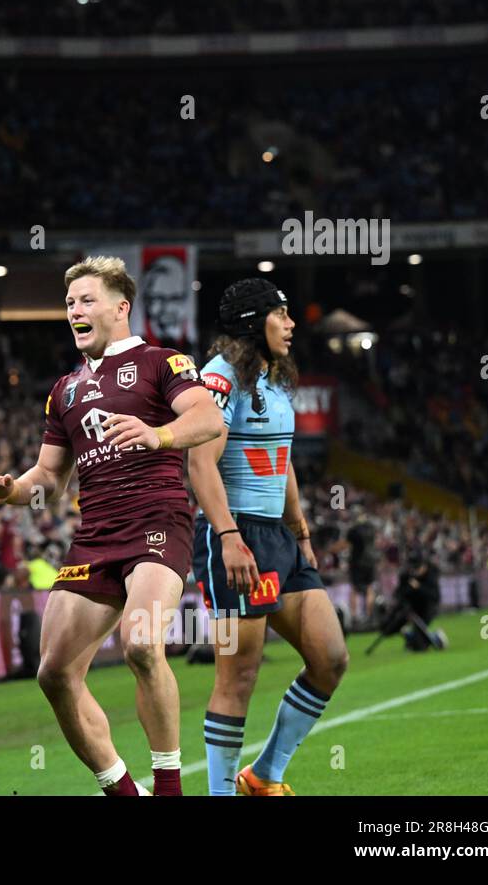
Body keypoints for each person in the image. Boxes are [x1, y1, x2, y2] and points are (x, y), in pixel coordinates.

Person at [0, 256, 223, 796]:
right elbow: (49, 479)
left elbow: (207, 419)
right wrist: (8, 491)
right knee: (54, 673)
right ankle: (123, 791)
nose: (75, 311)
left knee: (140, 644)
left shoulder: (164, 363)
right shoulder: (64, 389)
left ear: (120, 307)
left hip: (157, 522)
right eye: (69, 303)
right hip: (95, 535)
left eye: (86, 300)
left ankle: (170, 787)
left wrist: (159, 436)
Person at [187, 278, 349, 796]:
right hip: (234, 536)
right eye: (281, 313)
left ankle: (263, 776)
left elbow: (282, 463)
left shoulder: (276, 381)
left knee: (330, 657)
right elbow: (200, 462)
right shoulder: (219, 379)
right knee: (238, 677)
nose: (292, 323)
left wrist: (300, 530)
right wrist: (230, 536)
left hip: (278, 536)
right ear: (255, 322)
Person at [347, 517, 378, 626]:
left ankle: (354, 617)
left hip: (357, 562)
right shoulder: (371, 529)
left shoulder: (354, 531)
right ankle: (369, 616)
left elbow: (347, 544)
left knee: (354, 589)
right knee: (369, 589)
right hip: (370, 562)